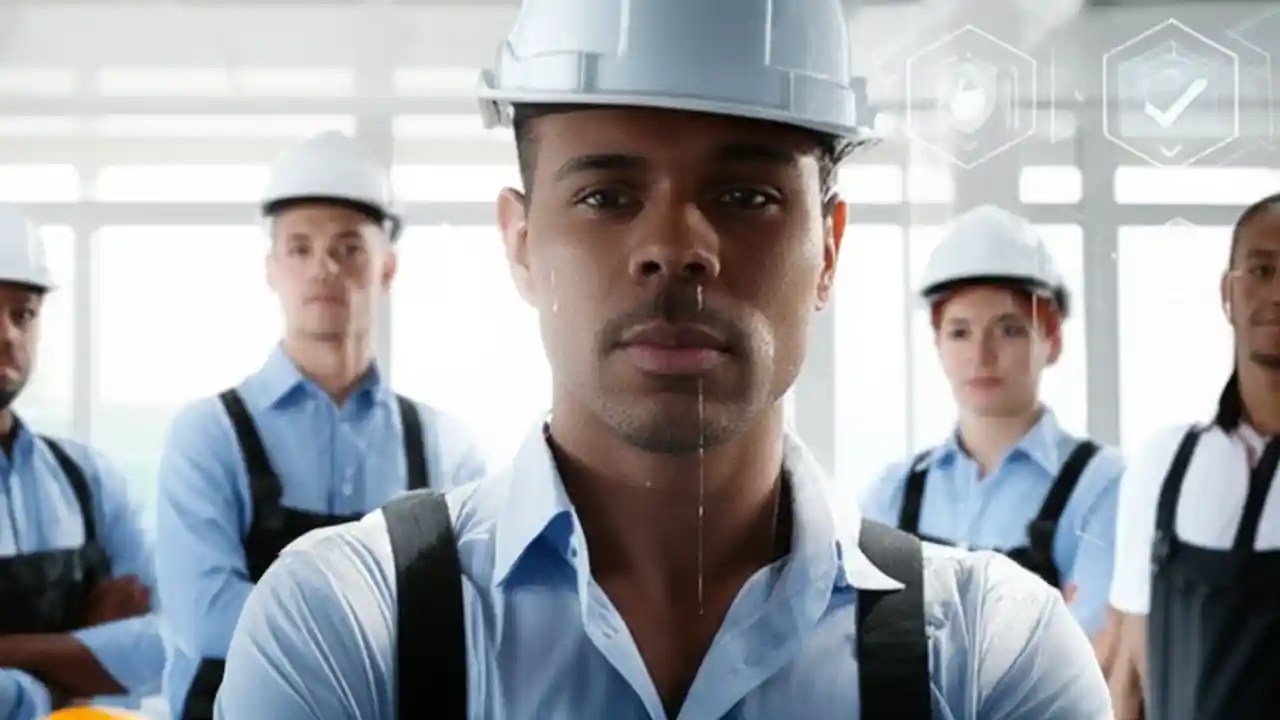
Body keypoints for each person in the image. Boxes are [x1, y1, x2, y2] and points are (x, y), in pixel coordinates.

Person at [214, 2, 1111, 718]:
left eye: (746, 194)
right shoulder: (343, 626)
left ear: (829, 252)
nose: (676, 247)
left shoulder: (995, 655)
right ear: (521, 243)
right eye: (607, 194)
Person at [154, 131, 491, 719]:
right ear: (271, 269)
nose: (323, 269)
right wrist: (397, 635)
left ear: (387, 268)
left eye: (348, 248)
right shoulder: (206, 435)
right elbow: (205, 617)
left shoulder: (445, 445)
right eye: (300, 248)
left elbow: (480, 617)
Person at [862, 205, 1123, 641]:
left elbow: (1087, 659)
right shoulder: (893, 490)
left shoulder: (1103, 486)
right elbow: (854, 641)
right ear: (938, 343)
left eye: (1009, 330)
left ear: (1052, 339)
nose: (980, 356)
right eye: (959, 332)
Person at [1106, 192, 1280, 720]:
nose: (1278, 293)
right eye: (1262, 270)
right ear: (1228, 294)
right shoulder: (1165, 464)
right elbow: (1128, 675)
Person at [0, 203, 163, 717]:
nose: (8, 335)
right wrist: (81, 652)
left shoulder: (89, 481)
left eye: (22, 313)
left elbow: (167, 643)